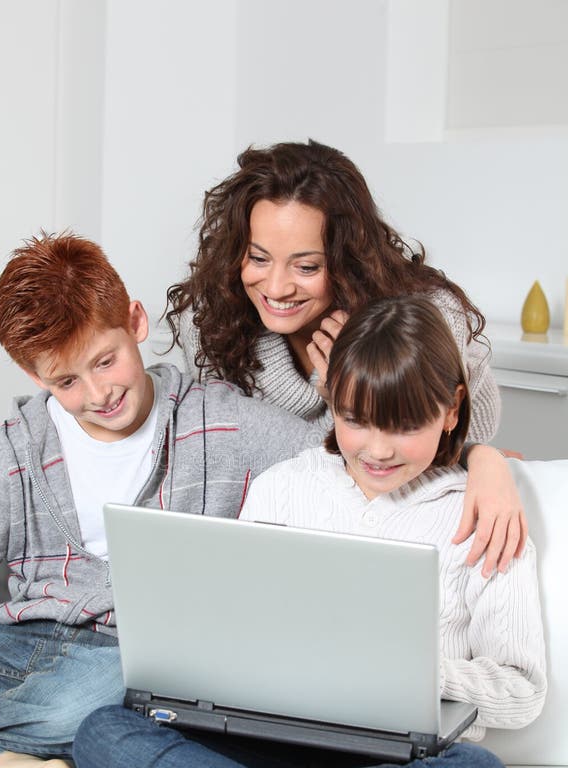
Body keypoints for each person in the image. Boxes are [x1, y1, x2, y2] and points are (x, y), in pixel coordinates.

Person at [70, 296, 546, 768]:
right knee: (102, 735)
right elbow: (235, 630)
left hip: (392, 763)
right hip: (260, 737)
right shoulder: (283, 487)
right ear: (331, 399)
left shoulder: (484, 517)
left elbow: (522, 693)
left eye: (403, 426)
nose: (377, 450)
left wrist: (417, 674)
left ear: (451, 410)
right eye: (355, 420)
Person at [0, 232, 316, 768]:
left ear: (135, 321)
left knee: (121, 698)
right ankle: (7, 756)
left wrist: (471, 457)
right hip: (19, 648)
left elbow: (347, 455)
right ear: (36, 376)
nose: (99, 393)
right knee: (98, 706)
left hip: (128, 660)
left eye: (106, 361)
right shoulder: (20, 445)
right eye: (66, 381)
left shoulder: (220, 424)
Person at [164, 139, 525, 577]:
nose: (276, 288)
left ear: (347, 260)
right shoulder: (211, 323)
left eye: (307, 267)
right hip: (275, 538)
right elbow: (229, 456)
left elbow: (426, 449)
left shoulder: (426, 317)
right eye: (258, 258)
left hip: (400, 532)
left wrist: (482, 458)